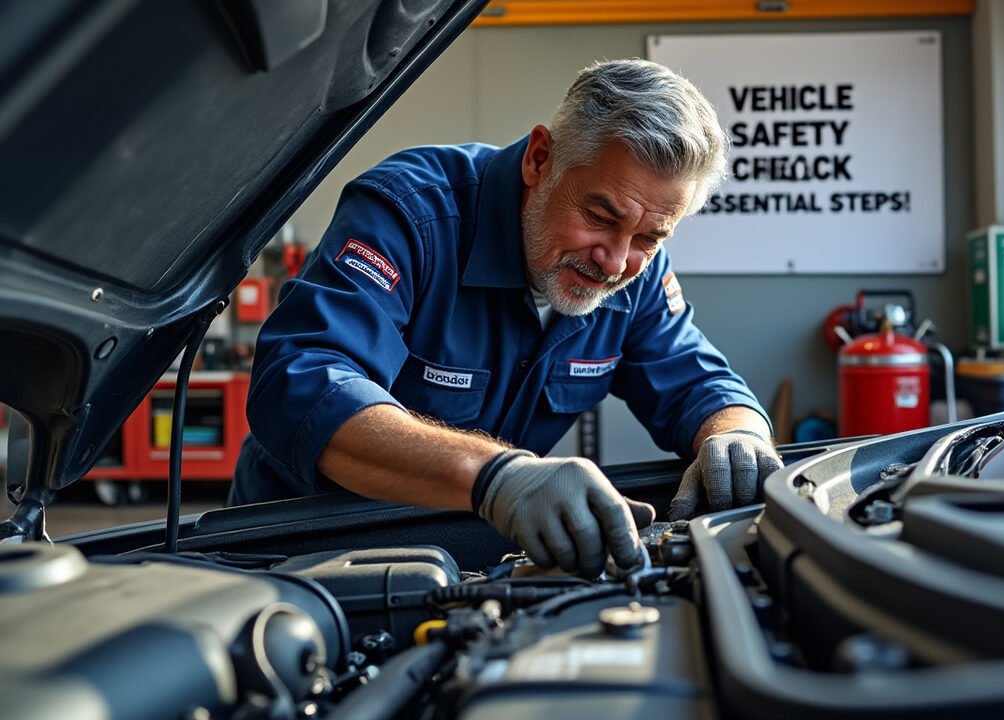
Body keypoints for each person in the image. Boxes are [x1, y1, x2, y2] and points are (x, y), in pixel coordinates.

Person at [229, 59, 782, 577]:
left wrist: (738, 435)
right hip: (300, 554)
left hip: (463, 557)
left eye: (648, 237)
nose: (615, 262)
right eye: (598, 216)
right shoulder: (412, 213)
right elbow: (303, 383)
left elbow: (699, 382)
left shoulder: (634, 273)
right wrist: (495, 475)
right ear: (540, 158)